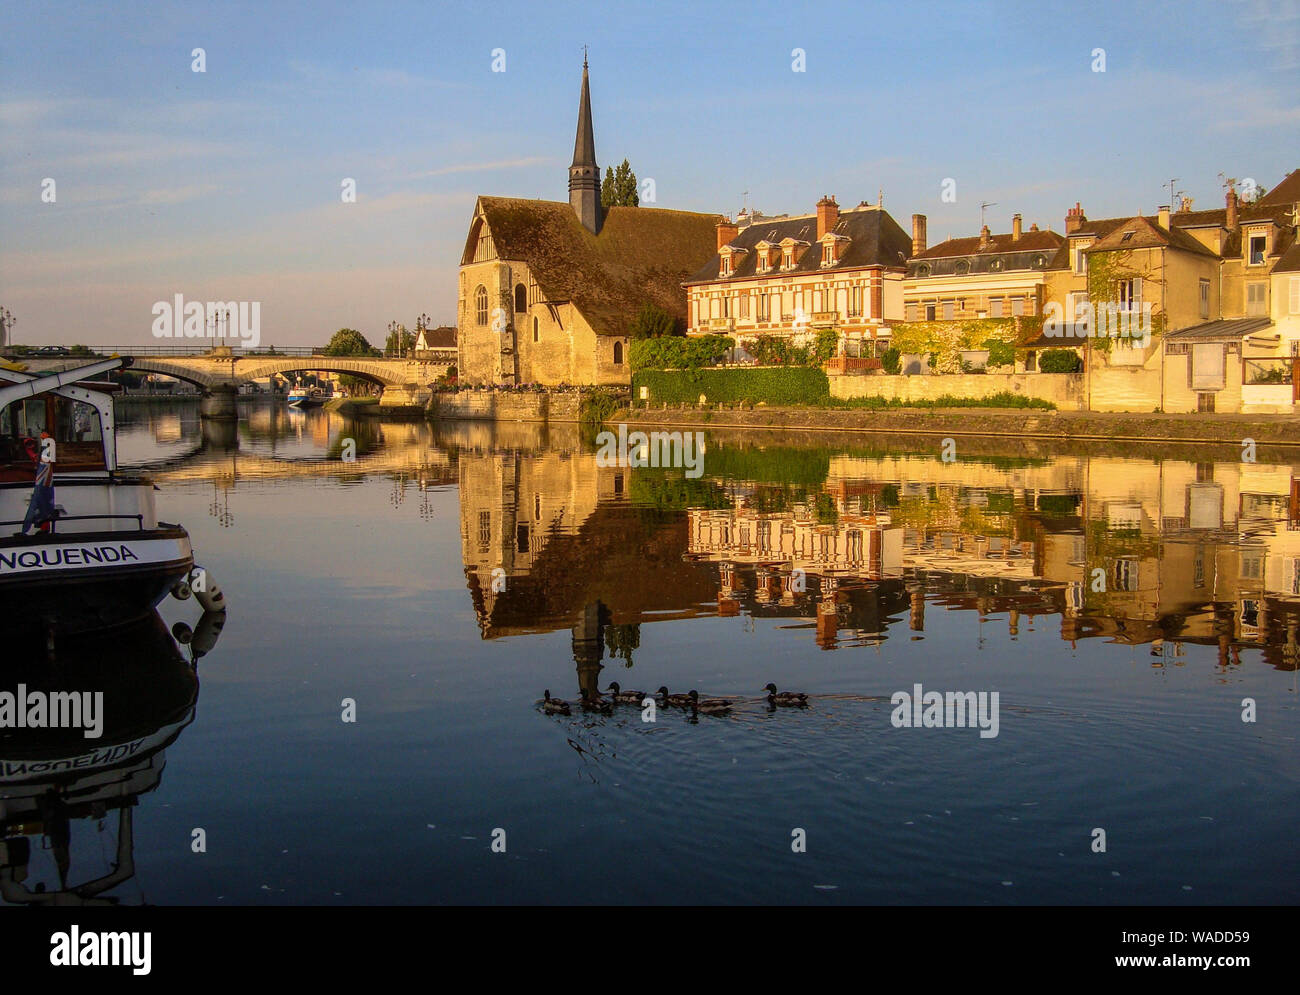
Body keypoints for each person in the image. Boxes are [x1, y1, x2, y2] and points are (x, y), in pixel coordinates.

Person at [15, 430, 56, 536]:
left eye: (43, 437)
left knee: (40, 503)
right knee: (42, 504)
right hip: (43, 483)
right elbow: (40, 460)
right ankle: (42, 527)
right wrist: (30, 451)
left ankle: (37, 528)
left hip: (43, 484)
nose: (42, 437)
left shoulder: (48, 446)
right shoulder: (48, 446)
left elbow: (43, 462)